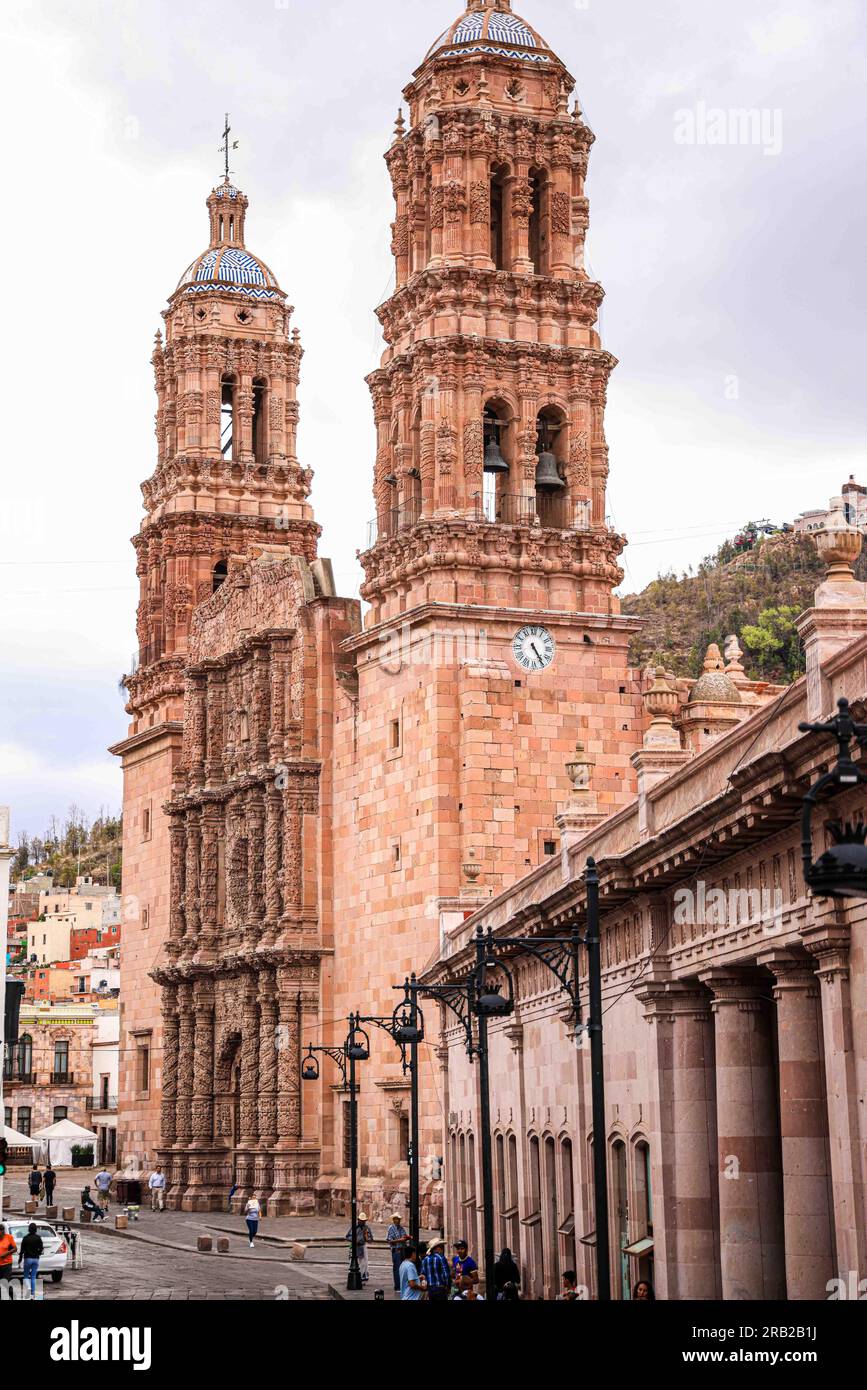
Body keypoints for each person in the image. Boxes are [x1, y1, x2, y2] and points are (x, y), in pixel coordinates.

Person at [345, 1211, 374, 1282]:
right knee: (353, 1262)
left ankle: (361, 1277)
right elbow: (347, 1236)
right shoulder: (354, 1227)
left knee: (363, 1263)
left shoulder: (366, 1228)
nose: (362, 1222)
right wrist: (354, 1240)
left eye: (363, 1221)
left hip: (362, 1246)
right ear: (358, 1220)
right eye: (361, 1220)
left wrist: (366, 1237)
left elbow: (371, 1240)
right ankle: (353, 1277)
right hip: (354, 1247)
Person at [420, 1235, 450, 1302]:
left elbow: (423, 1276)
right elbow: (446, 1275)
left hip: (430, 1289)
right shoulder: (441, 1258)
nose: (442, 1249)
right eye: (441, 1247)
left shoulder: (425, 1260)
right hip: (440, 1289)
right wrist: (448, 1287)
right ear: (436, 1248)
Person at [18, 1222, 44, 1299]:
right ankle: (32, 1293)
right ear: (36, 1229)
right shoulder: (38, 1238)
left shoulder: (25, 1238)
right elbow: (41, 1248)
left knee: (26, 1276)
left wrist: (19, 1259)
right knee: (33, 1276)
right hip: (36, 1259)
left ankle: (28, 1288)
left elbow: (22, 1250)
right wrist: (38, 1253)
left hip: (27, 1259)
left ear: (28, 1229)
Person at [386, 1211, 408, 1292]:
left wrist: (405, 1238)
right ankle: (397, 1286)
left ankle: (402, 1285)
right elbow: (389, 1240)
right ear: (393, 1220)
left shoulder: (402, 1228)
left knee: (403, 1268)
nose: (397, 1220)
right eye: (396, 1219)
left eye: (398, 1219)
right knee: (397, 1268)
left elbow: (404, 1237)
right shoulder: (391, 1228)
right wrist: (400, 1240)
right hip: (396, 1250)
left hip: (402, 1250)